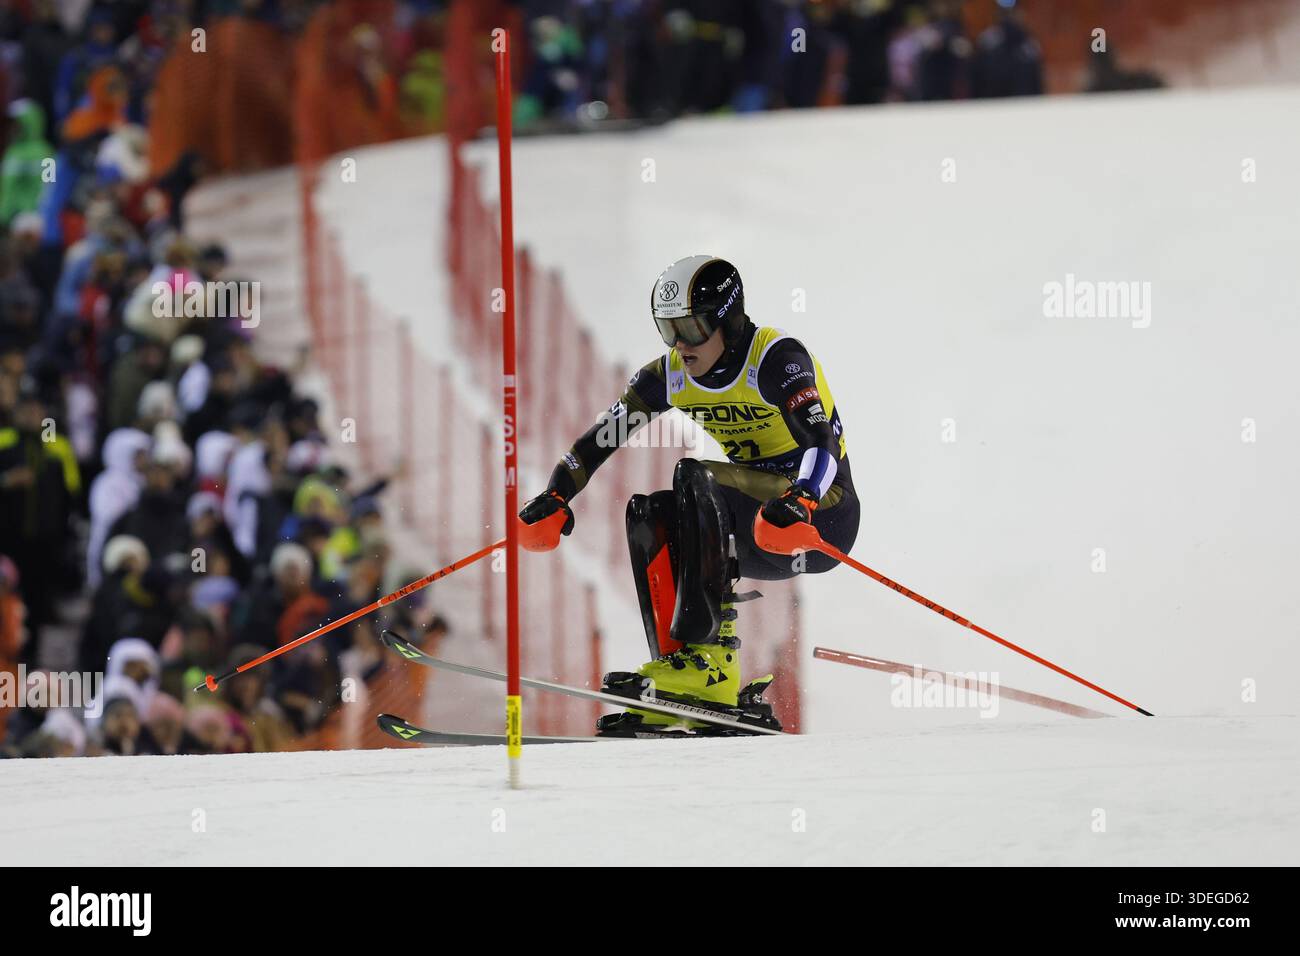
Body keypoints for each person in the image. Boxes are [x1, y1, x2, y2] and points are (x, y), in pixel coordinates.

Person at [518, 256, 859, 735]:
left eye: (692, 328)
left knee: (693, 476)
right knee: (650, 513)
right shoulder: (668, 376)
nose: (680, 343)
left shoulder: (776, 360)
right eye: (667, 329)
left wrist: (801, 498)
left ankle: (712, 665)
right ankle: (681, 674)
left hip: (820, 517)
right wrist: (556, 495)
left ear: (730, 321)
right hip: (757, 521)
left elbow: (821, 442)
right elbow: (600, 440)